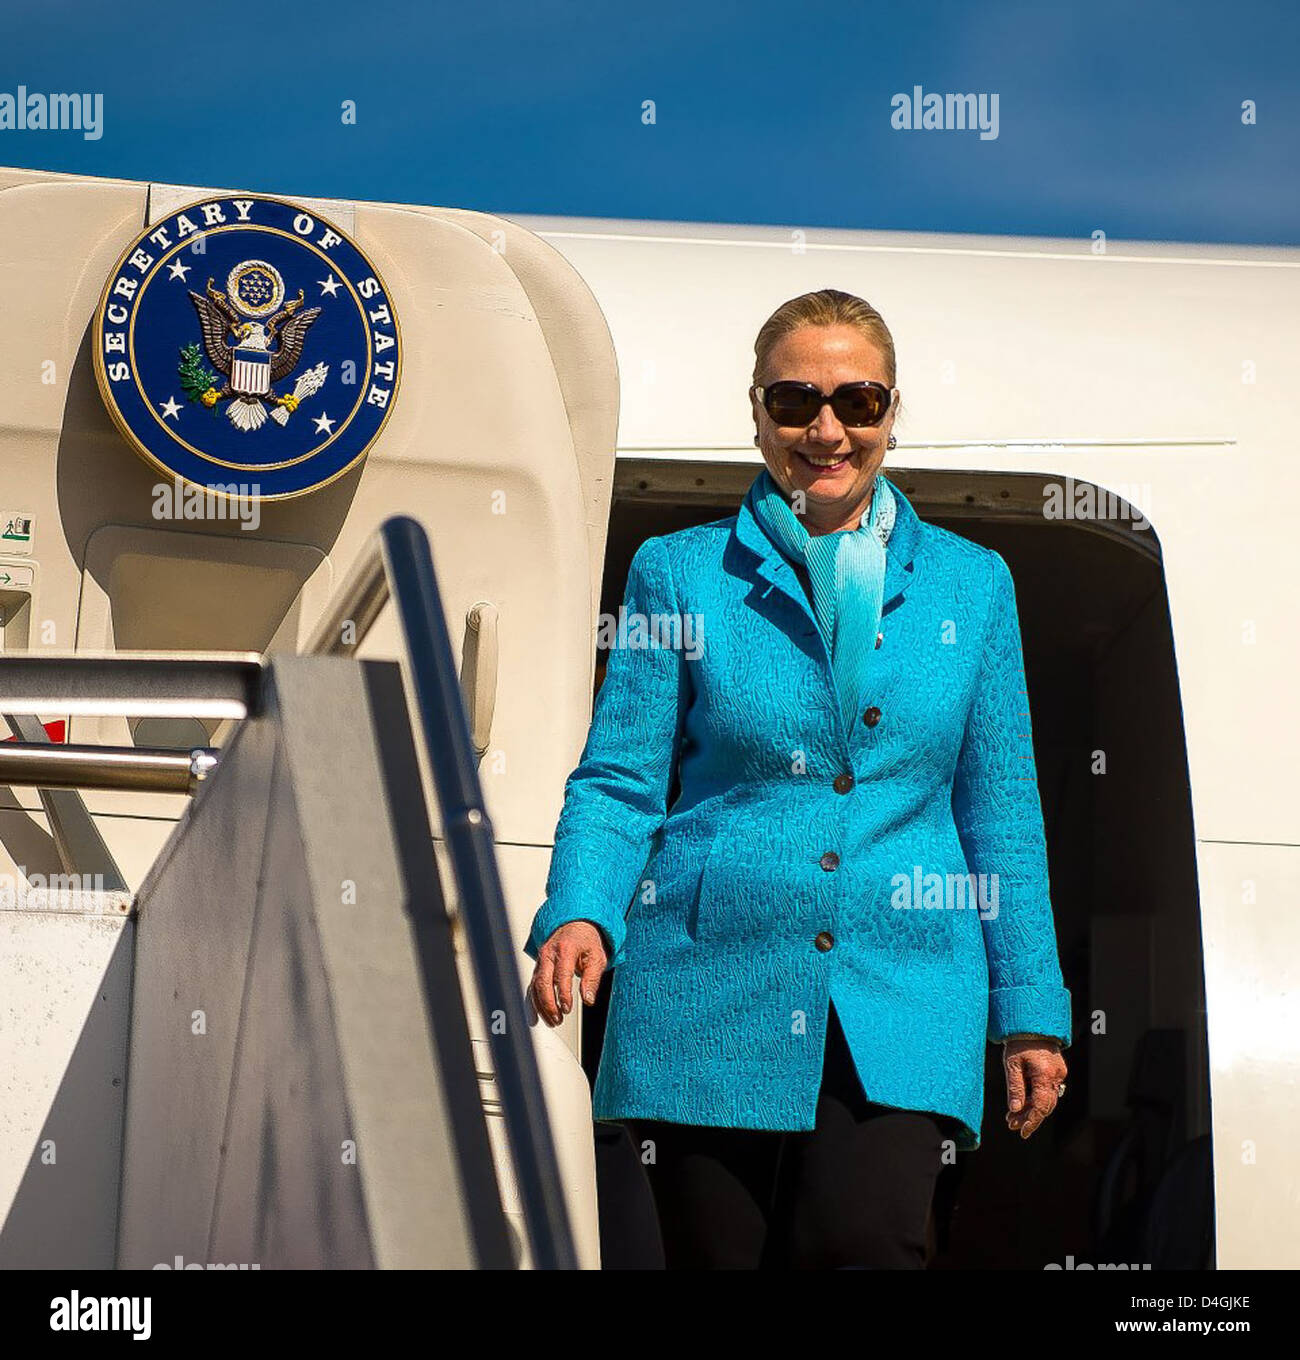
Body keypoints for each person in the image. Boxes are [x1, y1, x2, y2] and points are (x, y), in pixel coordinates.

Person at [525, 288, 1070, 1269]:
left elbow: (1003, 813)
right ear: (755, 410)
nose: (826, 429)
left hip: (901, 989)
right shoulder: (676, 573)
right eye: (795, 401)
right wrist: (580, 909)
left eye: (856, 401)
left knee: (867, 1239)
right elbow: (619, 777)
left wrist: (1028, 1008)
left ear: (892, 413)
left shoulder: (972, 585)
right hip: (703, 988)